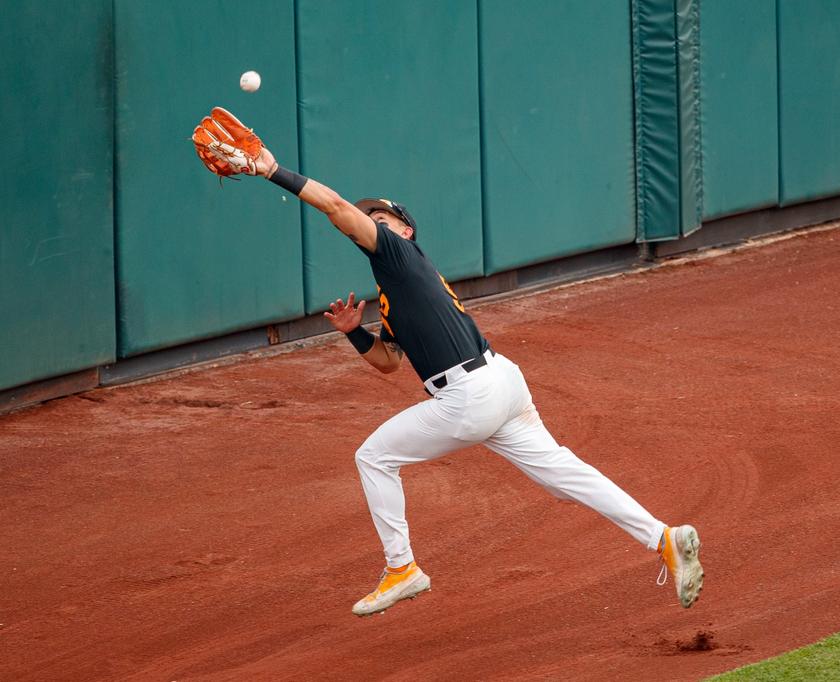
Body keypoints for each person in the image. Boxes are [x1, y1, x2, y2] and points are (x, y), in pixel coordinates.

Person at [193, 110, 703, 617]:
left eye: (383, 218)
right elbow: (390, 362)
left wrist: (271, 170)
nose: (372, 222)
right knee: (562, 475)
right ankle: (662, 538)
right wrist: (355, 335)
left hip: (470, 396)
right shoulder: (400, 289)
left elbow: (332, 206)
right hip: (503, 384)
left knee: (373, 458)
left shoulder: (395, 254)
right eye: (372, 219)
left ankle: (401, 568)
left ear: (405, 231)